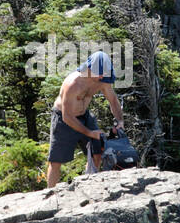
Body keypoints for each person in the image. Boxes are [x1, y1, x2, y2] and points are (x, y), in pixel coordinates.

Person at [46, 50, 125, 188]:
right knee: (56, 161)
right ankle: (50, 193)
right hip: (63, 118)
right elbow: (67, 117)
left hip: (85, 116)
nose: (102, 77)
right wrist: (89, 133)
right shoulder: (73, 84)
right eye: (100, 74)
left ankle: (89, 185)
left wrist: (120, 121)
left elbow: (113, 100)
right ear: (90, 68)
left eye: (104, 75)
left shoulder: (101, 80)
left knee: (97, 151)